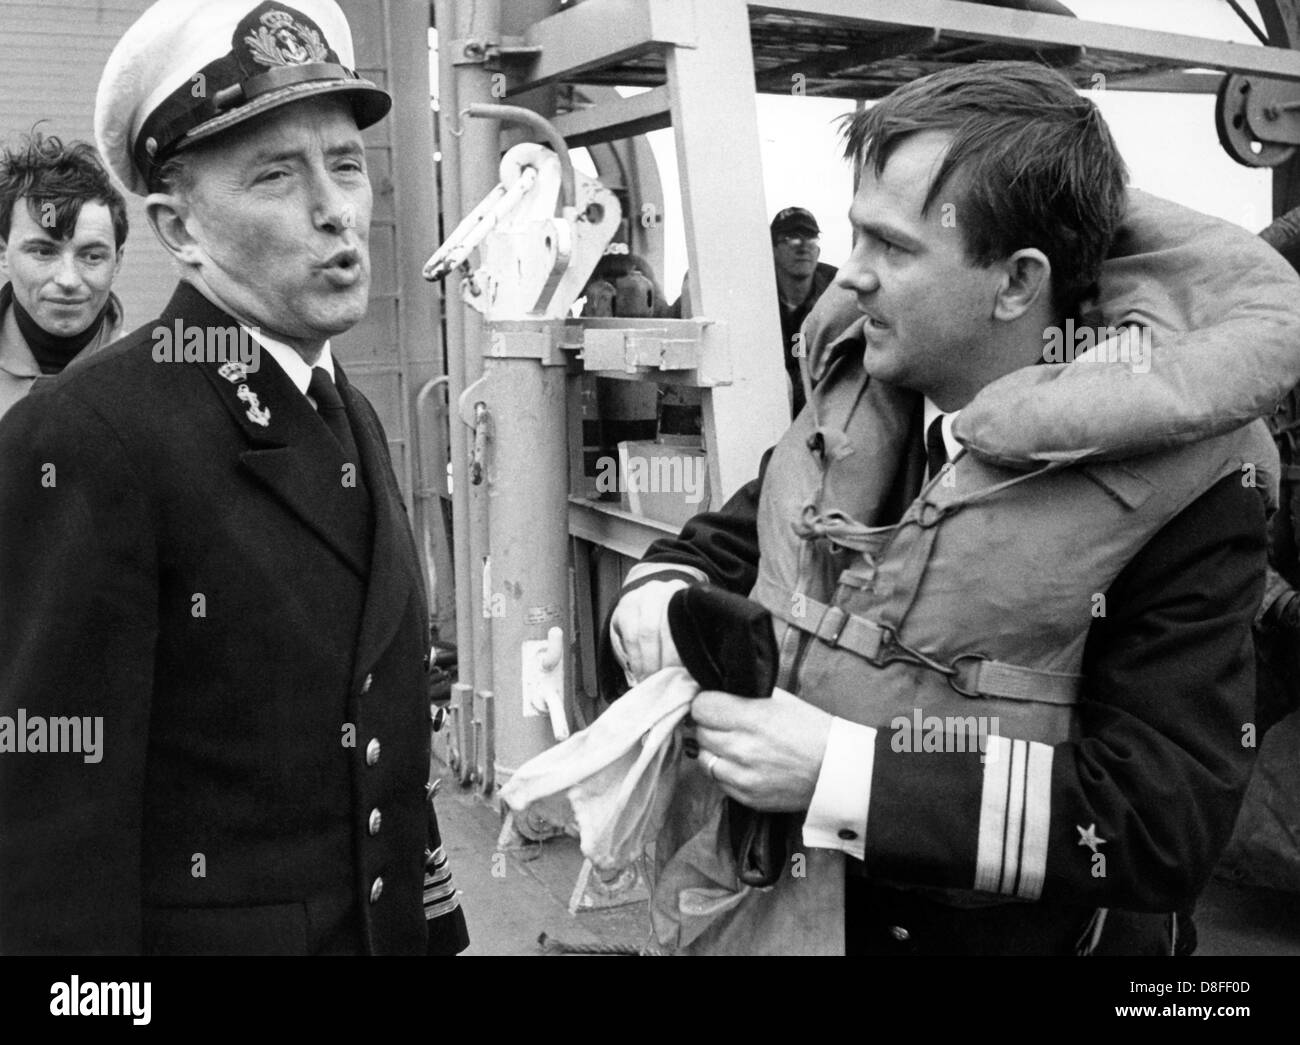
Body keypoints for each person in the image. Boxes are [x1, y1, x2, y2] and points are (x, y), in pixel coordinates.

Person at [605, 61, 1300, 955]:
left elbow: (1159, 824)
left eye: (892, 249)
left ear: (1016, 283)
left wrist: (839, 771)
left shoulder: (1190, 491)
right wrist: (653, 595)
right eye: (856, 236)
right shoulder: (870, 405)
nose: (847, 279)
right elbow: (729, 541)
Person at [0, 0, 467, 956]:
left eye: (344, 164)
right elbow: (50, 855)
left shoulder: (341, 408)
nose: (335, 207)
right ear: (178, 228)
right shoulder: (90, 438)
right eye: (276, 176)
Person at [0, 130, 127, 421]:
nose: (68, 280)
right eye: (44, 252)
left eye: (92, 256)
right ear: (3, 254)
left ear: (117, 262)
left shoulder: (153, 379)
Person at [770, 206, 837, 416]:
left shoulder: (838, 291)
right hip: (767, 410)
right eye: (791, 238)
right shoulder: (753, 293)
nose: (803, 247)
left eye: (811, 238)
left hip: (825, 411)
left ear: (818, 250)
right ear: (772, 249)